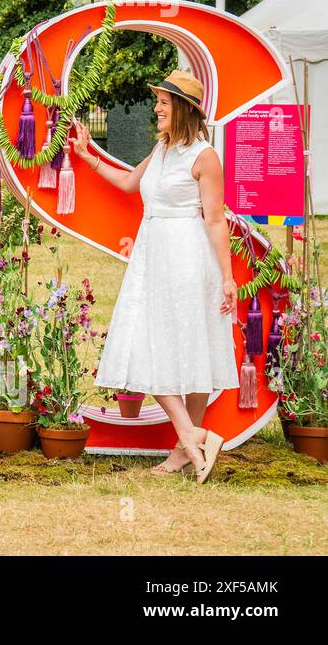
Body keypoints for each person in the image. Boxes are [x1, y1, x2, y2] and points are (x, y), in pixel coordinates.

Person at [77, 69, 233, 483]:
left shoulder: (205, 157)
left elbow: (215, 220)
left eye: (163, 102)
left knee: (187, 346)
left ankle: (187, 446)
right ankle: (194, 438)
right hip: (153, 253)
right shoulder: (162, 148)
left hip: (188, 257)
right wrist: (89, 155)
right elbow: (130, 183)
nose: (157, 108)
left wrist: (228, 277)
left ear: (182, 108)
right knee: (149, 344)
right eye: (159, 101)